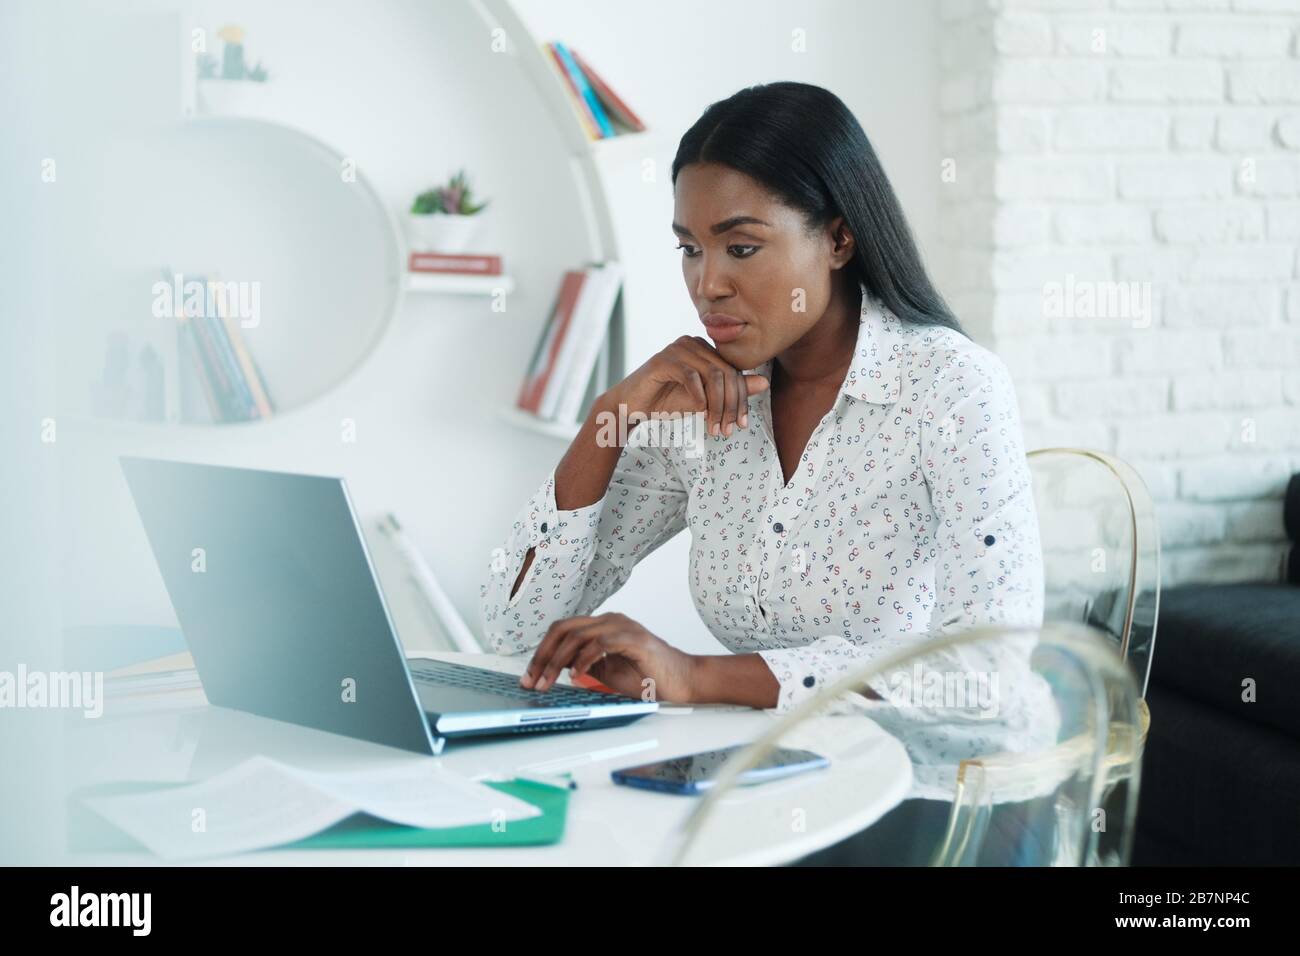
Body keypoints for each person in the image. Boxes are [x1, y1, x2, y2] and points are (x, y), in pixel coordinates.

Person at [480, 81, 1051, 863]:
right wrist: (608, 417)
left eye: (740, 247)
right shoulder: (708, 406)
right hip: (780, 785)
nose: (707, 282)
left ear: (839, 239)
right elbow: (515, 628)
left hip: (940, 796)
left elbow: (982, 671)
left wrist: (697, 675)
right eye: (690, 247)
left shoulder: (949, 388)